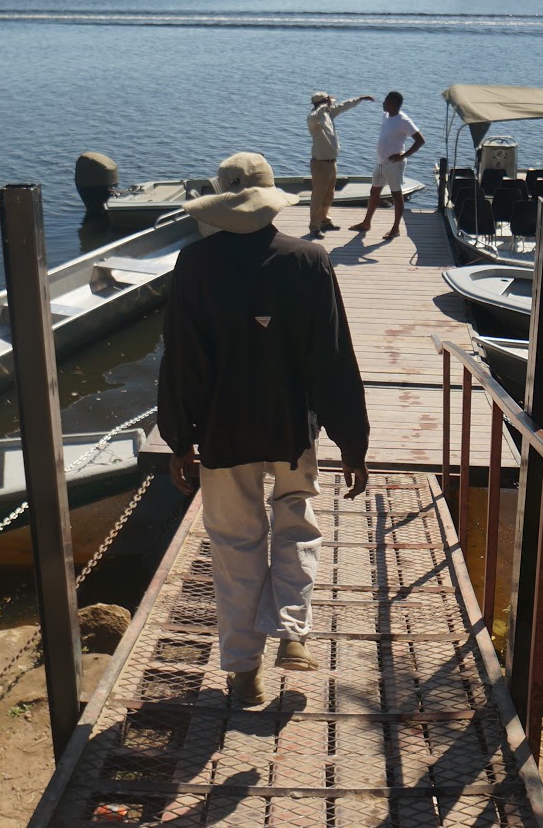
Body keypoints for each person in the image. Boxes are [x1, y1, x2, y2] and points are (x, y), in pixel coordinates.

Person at [158, 151, 372, 707]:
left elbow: (183, 362)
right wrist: (353, 441)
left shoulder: (194, 264)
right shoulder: (309, 261)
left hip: (223, 435)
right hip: (291, 431)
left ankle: (242, 670)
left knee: (234, 544)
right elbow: (331, 359)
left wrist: (180, 440)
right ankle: (294, 635)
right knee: (296, 524)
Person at [349, 91, 425, 240]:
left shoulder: (404, 120)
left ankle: (395, 229)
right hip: (381, 162)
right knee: (374, 192)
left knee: (396, 195)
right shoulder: (385, 116)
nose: (383, 103)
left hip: (394, 164)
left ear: (394, 104)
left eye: (386, 101)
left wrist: (403, 156)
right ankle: (366, 223)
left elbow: (420, 141)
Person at [306, 91, 375, 237]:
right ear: (323, 103)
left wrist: (360, 97)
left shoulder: (329, 114)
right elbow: (314, 116)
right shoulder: (315, 118)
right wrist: (322, 107)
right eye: (329, 102)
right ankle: (314, 227)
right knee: (318, 196)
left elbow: (344, 106)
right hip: (320, 164)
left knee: (329, 195)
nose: (332, 104)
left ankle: (324, 221)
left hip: (331, 162)